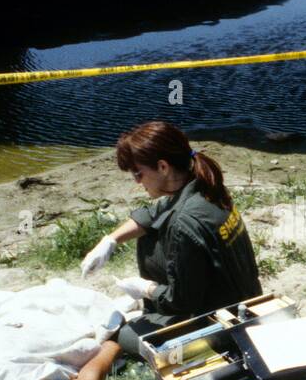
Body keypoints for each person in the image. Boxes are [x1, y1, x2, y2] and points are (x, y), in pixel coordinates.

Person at [80, 121, 262, 360]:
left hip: (222, 328)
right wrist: (110, 240)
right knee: (153, 229)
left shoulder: (183, 223)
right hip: (247, 303)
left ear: (163, 167)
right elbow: (152, 214)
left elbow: (181, 302)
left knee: (125, 335)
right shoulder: (207, 187)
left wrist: (146, 289)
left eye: (138, 173)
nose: (137, 182)